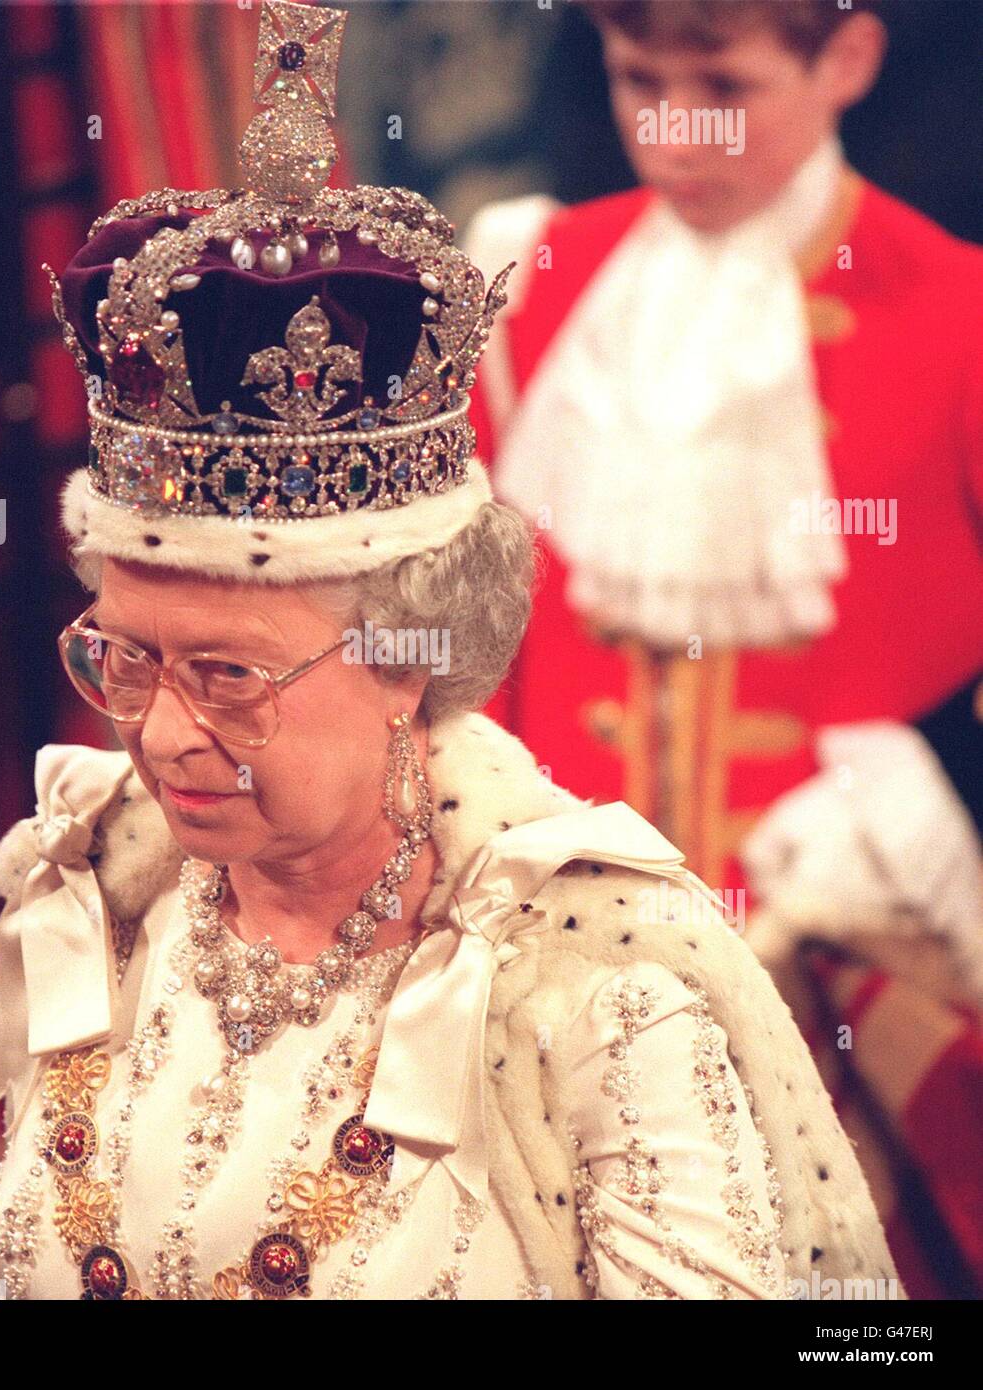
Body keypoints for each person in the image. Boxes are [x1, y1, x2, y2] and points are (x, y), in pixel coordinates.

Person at [0, 0, 901, 1301]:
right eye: (125, 656)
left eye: (228, 672)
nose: (161, 734)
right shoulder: (90, 892)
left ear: (409, 651)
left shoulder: (594, 984)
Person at [462, 0, 981, 1297]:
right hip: (565, 985)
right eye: (638, 81)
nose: (672, 133)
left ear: (845, 60)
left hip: (854, 984)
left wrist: (926, 795)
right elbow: (478, 638)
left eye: (724, 87)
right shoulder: (536, 291)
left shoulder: (958, 313)